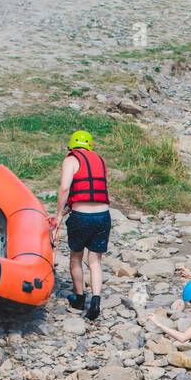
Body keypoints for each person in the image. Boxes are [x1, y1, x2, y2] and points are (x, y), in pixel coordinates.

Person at [52, 130, 111, 321]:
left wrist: (59, 213)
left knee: (76, 258)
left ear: (71, 146)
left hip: (81, 217)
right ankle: (95, 300)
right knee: (95, 261)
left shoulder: (71, 159)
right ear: (90, 146)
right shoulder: (100, 160)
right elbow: (94, 189)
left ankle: (79, 298)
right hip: (103, 215)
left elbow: (65, 188)